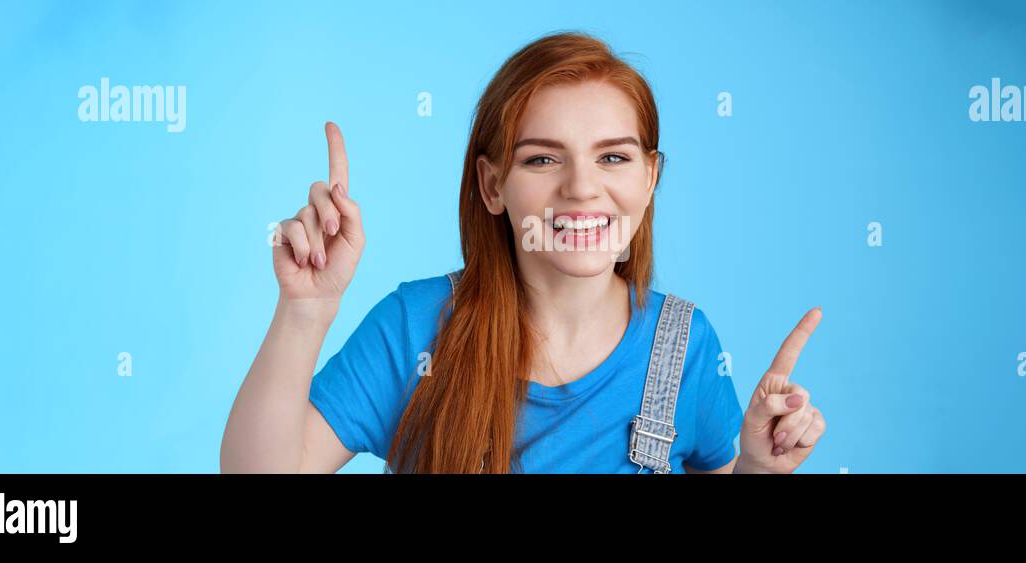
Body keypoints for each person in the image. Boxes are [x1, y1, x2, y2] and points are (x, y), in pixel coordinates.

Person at [220, 31, 825, 474]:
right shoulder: (414, 329)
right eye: (542, 158)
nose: (582, 187)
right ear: (492, 186)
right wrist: (304, 312)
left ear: (649, 178)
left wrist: (758, 470)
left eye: (613, 157)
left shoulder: (685, 347)